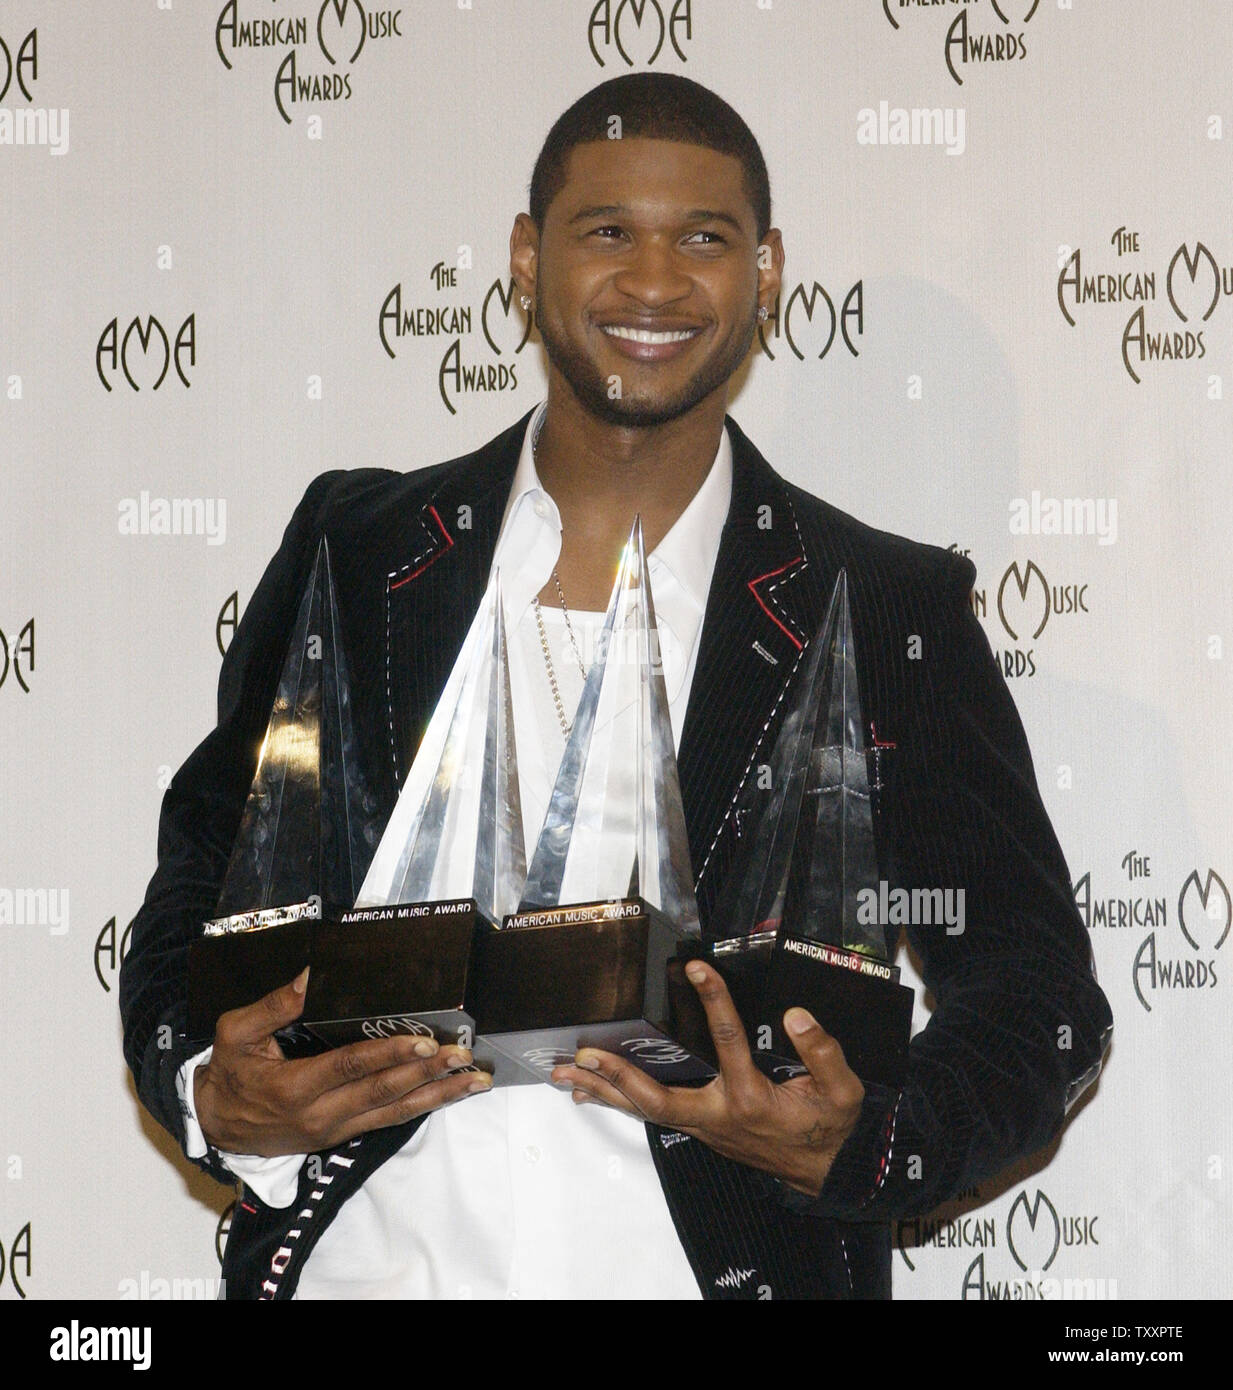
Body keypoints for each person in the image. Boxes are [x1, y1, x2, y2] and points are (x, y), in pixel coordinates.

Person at [120, 73, 1112, 1300]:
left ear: (768, 269)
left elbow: (1036, 989)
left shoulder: (877, 602)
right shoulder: (363, 545)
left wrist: (870, 1139)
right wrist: (211, 1094)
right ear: (528, 259)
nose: (654, 282)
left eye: (705, 237)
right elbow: (203, 868)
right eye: (608, 234)